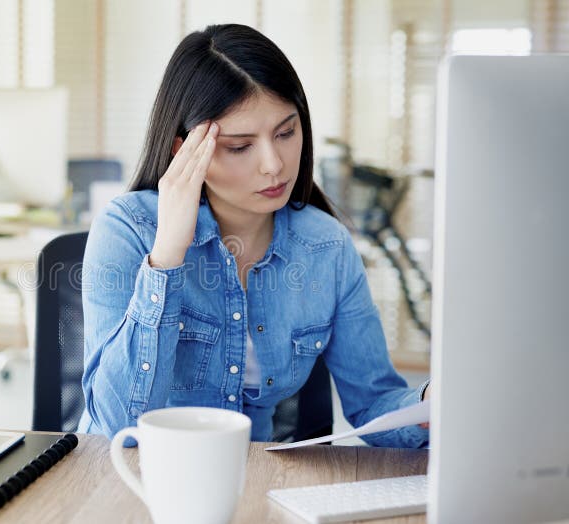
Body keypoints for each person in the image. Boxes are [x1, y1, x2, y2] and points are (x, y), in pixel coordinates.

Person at [77, 23, 430, 447]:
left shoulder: (326, 246)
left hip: (252, 482)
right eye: (241, 146)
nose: (274, 165)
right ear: (184, 150)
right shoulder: (127, 229)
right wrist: (168, 255)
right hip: (130, 482)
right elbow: (117, 428)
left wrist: (429, 405)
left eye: (285, 133)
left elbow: (374, 402)